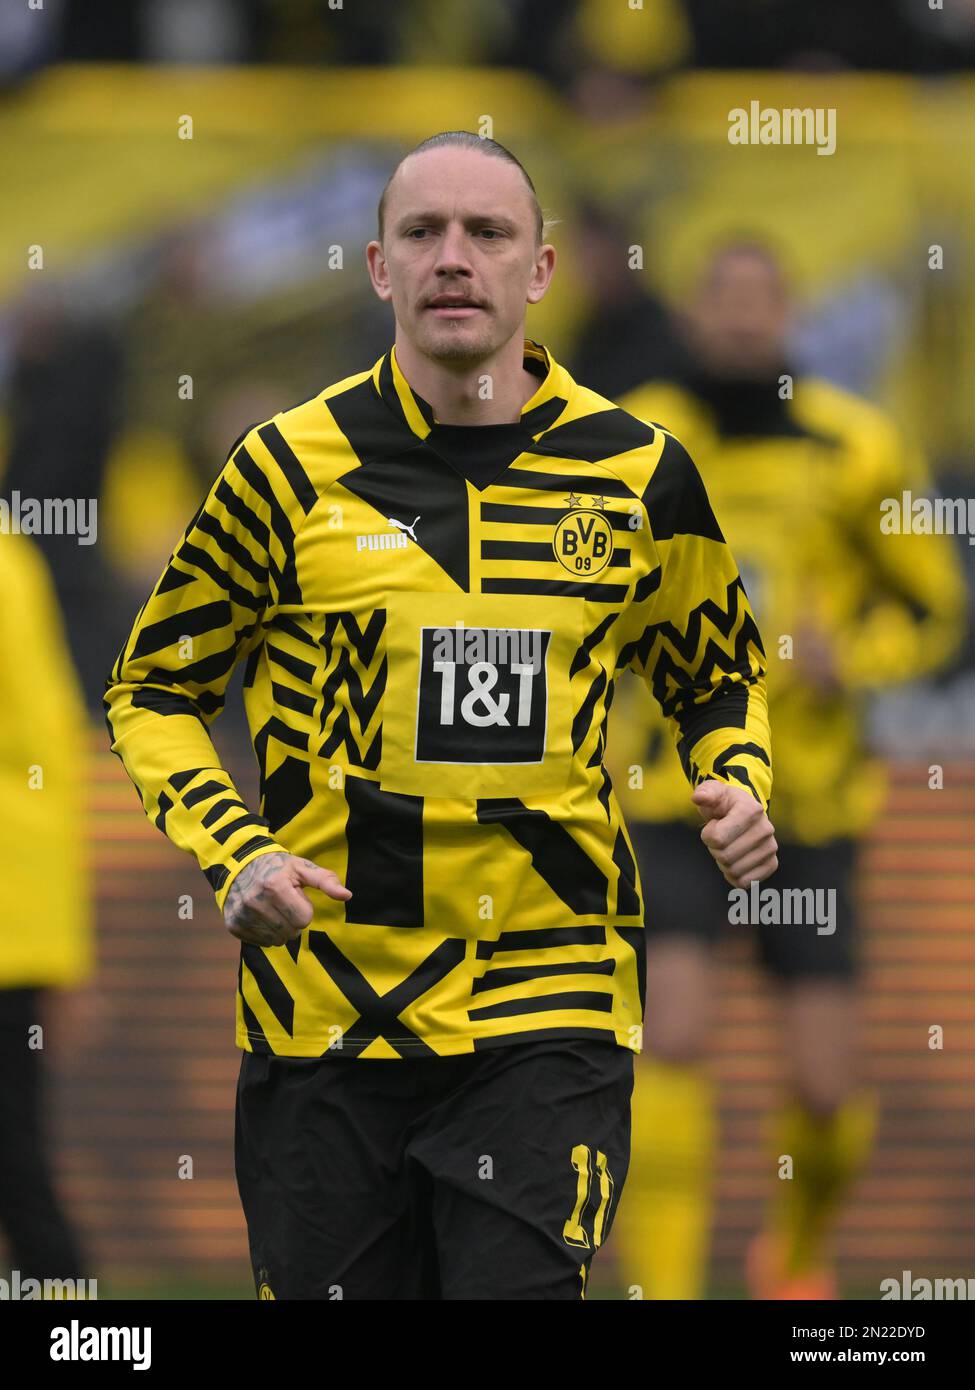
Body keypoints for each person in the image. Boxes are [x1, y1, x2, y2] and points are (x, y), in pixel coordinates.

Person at [103, 132, 776, 1301]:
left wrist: (737, 773)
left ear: (542, 271)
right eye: (423, 233)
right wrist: (236, 850)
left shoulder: (643, 473)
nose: (453, 258)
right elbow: (154, 689)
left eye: (488, 234)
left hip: (549, 999)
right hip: (327, 1008)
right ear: (378, 267)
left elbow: (712, 668)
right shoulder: (280, 472)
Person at [608, 239, 966, 1299]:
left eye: (762, 300)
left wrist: (848, 654)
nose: (741, 319)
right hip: (675, 791)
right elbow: (572, 579)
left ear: (791, 314)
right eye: (723, 298)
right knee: (668, 1035)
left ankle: (796, 1259)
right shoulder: (637, 434)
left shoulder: (857, 444)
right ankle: (662, 1290)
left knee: (823, 1083)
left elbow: (935, 603)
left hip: (805, 805)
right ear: (692, 310)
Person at [0, 532, 96, 1292]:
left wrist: (62, 950)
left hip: (11, 930)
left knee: (15, 1157)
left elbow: (47, 758)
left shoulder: (7, 568)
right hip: (21, 925)